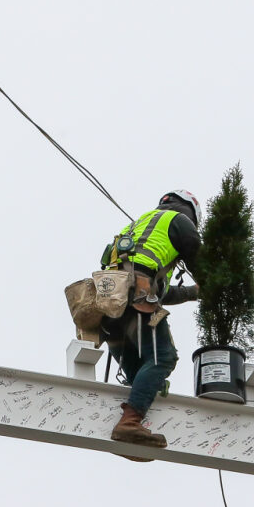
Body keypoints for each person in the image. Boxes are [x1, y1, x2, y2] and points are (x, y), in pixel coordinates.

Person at [101, 189, 202, 452]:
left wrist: (193, 293)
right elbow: (194, 249)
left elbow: (163, 291)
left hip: (110, 304)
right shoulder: (177, 220)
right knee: (162, 358)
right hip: (138, 296)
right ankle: (129, 423)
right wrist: (215, 282)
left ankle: (132, 427)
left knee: (141, 373)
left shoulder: (139, 227)